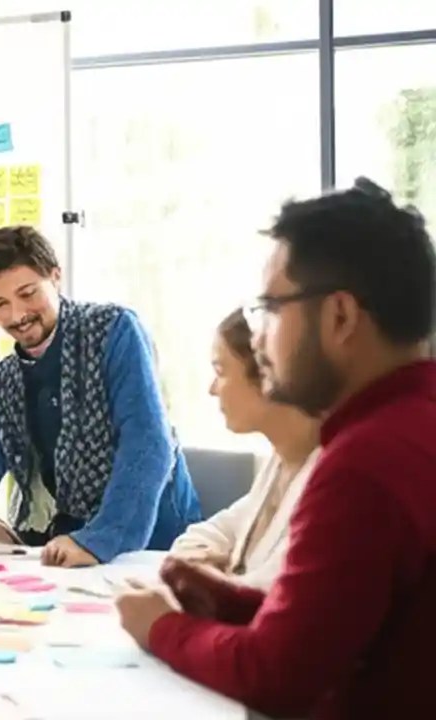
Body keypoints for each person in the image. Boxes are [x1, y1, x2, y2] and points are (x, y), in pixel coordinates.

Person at [115, 179, 436, 719]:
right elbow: (340, 627)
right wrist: (231, 603)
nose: (258, 339)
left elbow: (276, 675)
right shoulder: (410, 425)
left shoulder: (365, 463)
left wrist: (162, 627)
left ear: (340, 317)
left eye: (271, 308)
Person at [0, 226, 201, 567]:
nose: (16, 315)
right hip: (66, 547)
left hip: (154, 545)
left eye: (28, 293)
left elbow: (147, 445)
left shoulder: (114, 330)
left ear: (55, 278)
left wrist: (99, 541)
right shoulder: (2, 382)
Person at [167, 308, 320, 589]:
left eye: (220, 371)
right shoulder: (280, 460)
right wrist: (202, 564)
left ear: (265, 375)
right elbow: (204, 535)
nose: (212, 389)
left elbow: (267, 593)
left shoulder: (324, 472)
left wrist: (220, 578)